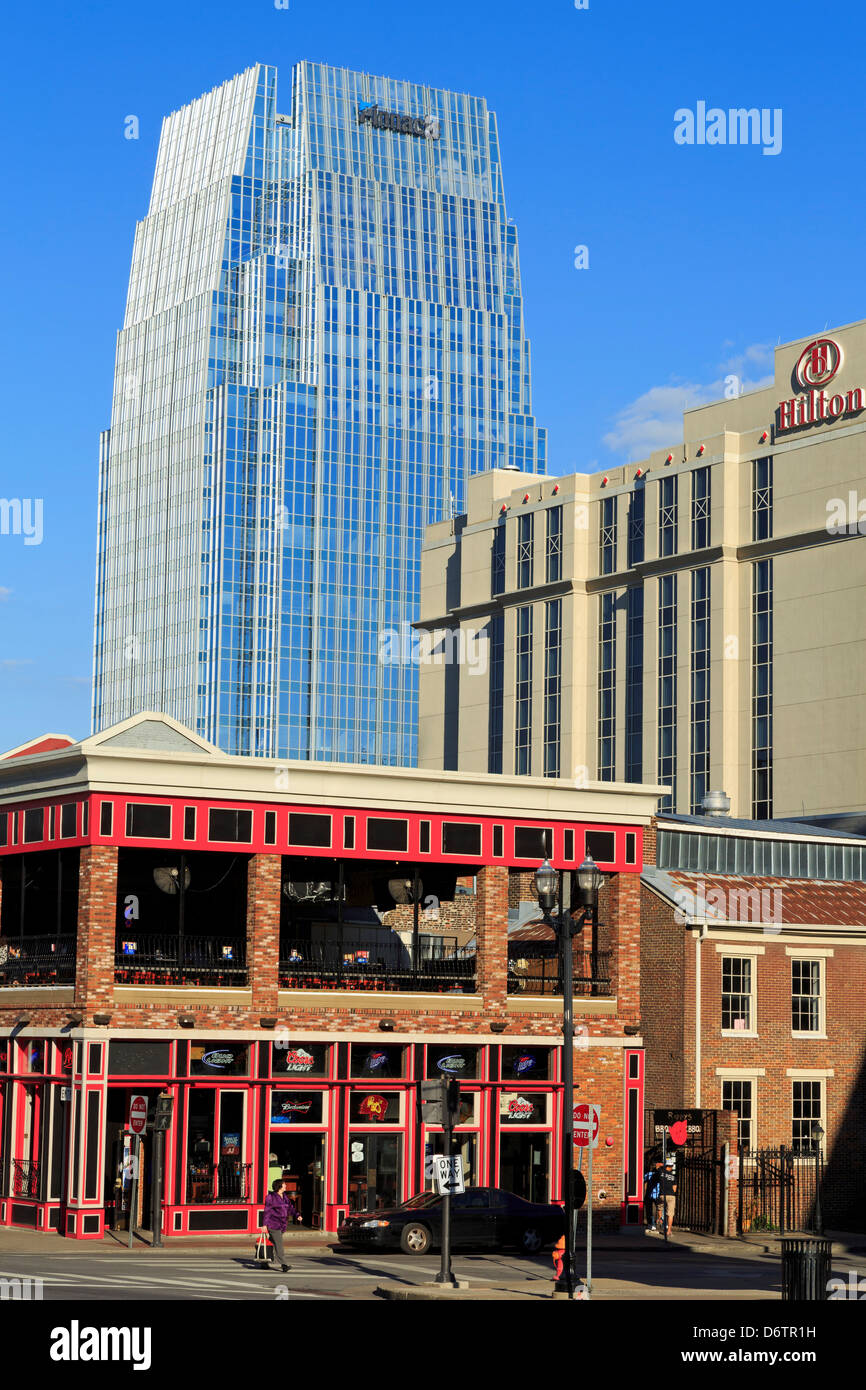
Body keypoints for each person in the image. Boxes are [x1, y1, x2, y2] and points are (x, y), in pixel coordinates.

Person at [263, 1178, 298, 1273]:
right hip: (273, 1224)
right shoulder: (271, 1197)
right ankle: (284, 1265)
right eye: (284, 1184)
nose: (286, 1186)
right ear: (279, 1186)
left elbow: (290, 1208)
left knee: (270, 1244)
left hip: (282, 1225)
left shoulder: (284, 1197)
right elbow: (267, 1211)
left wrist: (297, 1215)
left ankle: (264, 1261)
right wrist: (265, 1225)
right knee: (279, 1245)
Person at [643, 1160, 663, 1231]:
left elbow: (645, 1184)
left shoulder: (648, 1174)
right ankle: (662, 1223)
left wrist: (645, 1192)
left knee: (649, 1210)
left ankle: (651, 1224)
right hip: (658, 1194)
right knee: (660, 1209)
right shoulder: (661, 1174)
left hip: (649, 1194)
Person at [659, 1164, 677, 1238]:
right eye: (671, 1167)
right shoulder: (673, 1176)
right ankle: (669, 1230)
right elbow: (675, 1189)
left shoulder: (661, 1172)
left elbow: (657, 1165)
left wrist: (662, 1165)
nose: (672, 1168)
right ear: (668, 1167)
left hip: (662, 1195)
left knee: (660, 1207)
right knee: (670, 1214)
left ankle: (660, 1220)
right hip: (671, 1195)